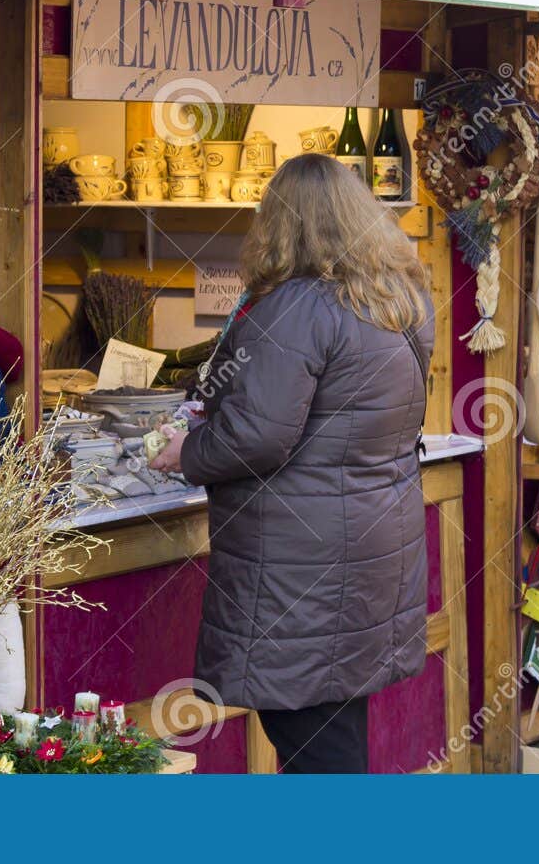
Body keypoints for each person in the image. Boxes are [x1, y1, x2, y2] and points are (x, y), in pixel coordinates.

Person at [150, 152, 433, 773]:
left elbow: (259, 437)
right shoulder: (399, 301)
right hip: (376, 541)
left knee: (308, 733)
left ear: (280, 222)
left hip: (304, 562)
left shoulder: (295, 308)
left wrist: (186, 452)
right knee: (333, 720)